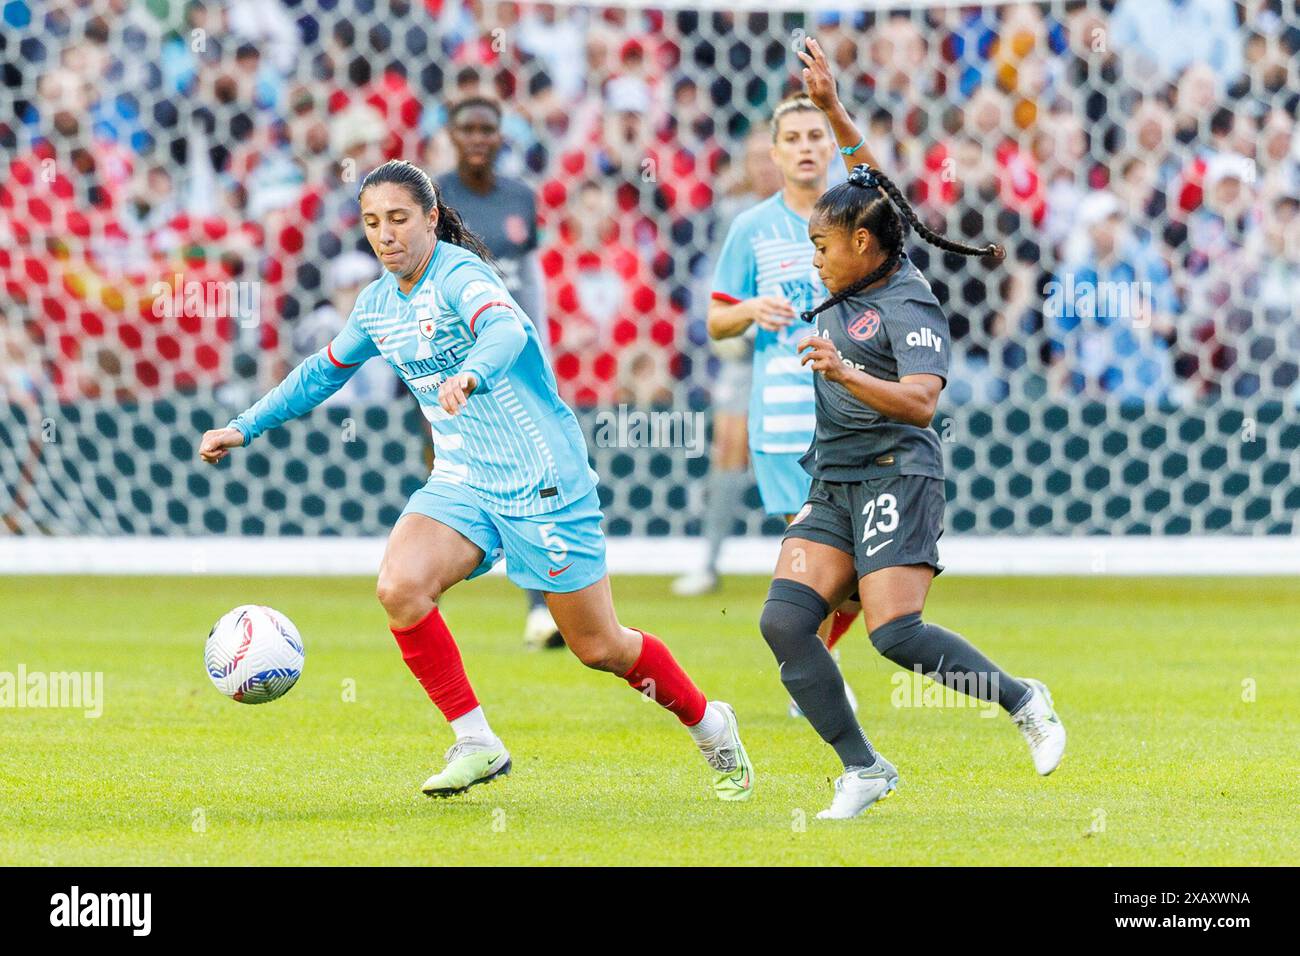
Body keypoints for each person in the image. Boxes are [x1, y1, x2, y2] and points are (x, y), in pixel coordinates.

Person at [198, 160, 754, 802]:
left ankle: (709, 722)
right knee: (400, 587)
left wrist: (472, 375)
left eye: (400, 219)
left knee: (599, 646)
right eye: (373, 223)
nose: (386, 235)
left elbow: (506, 328)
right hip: (462, 478)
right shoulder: (378, 304)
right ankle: (476, 741)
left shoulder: (462, 274)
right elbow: (322, 372)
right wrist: (244, 426)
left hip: (540, 476)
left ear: (431, 218)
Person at [757, 38, 1065, 820]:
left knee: (894, 636)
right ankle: (863, 768)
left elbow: (923, 402)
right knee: (786, 622)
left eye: (822, 247)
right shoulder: (868, 228)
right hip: (835, 474)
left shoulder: (908, 304)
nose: (814, 258)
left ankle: (1024, 698)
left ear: (862, 246)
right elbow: (874, 179)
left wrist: (845, 372)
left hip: (898, 469)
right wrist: (828, 105)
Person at [701, 92, 863, 718]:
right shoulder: (751, 227)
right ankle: (814, 673)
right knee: (818, 555)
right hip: (785, 419)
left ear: (831, 147)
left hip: (852, 409)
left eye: (814, 137)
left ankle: (814, 662)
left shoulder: (856, 217)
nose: (803, 148)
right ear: (774, 153)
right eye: (791, 139)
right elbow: (715, 320)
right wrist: (748, 310)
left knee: (856, 571)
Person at [436, 94, 562, 651]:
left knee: (532, 471)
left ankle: (540, 604)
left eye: (490, 128)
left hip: (509, 361)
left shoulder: (520, 197)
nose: (480, 138)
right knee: (452, 470)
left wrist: (539, 341)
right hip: (447, 362)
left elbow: (529, 278)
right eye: (470, 129)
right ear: (452, 134)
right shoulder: (433, 198)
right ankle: (432, 578)